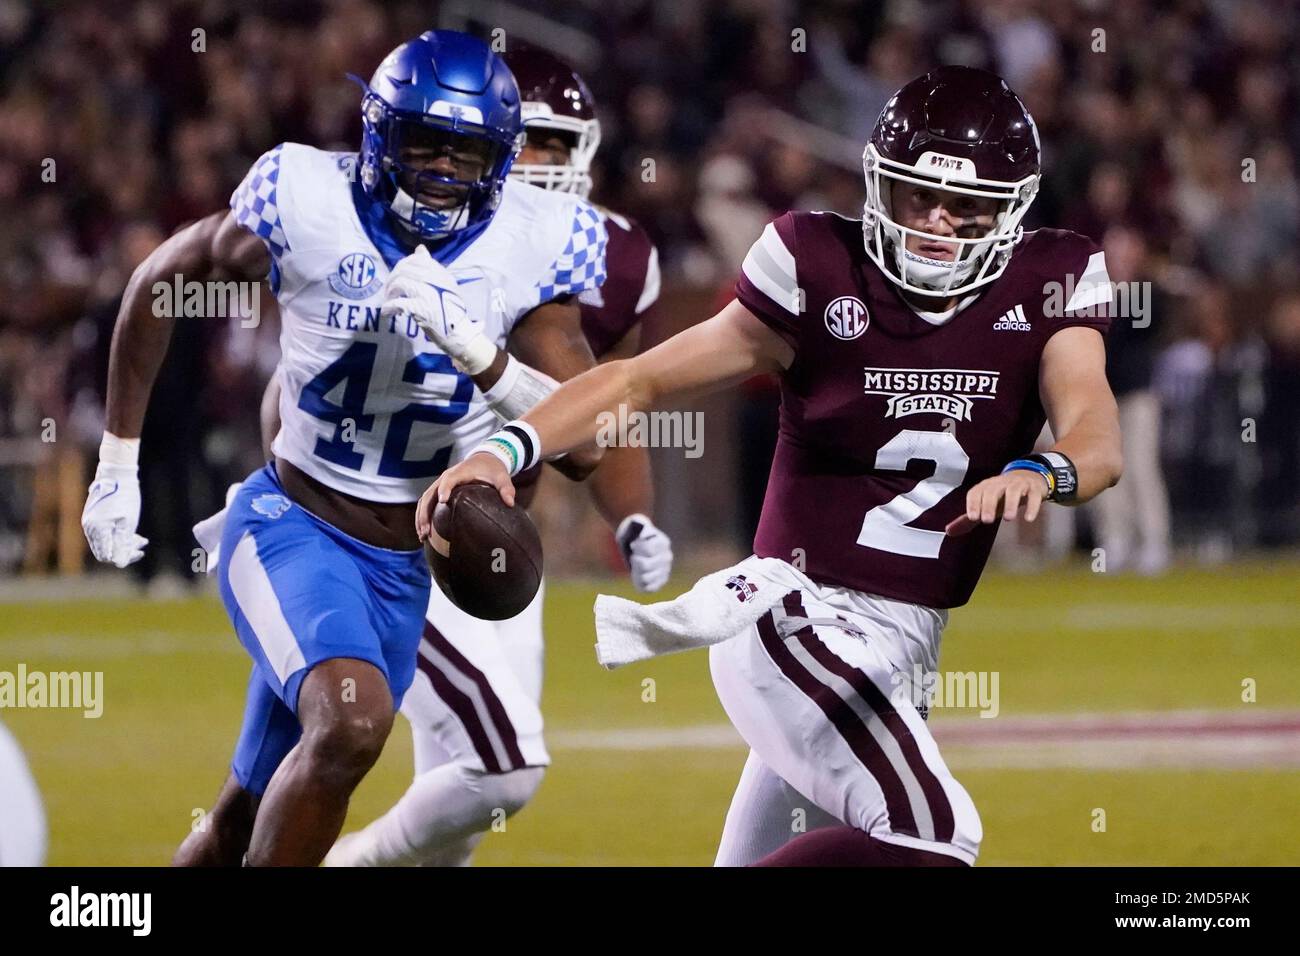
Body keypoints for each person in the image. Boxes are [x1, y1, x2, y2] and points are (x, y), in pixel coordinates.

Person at [426, 66, 1123, 866]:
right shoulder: (817, 263)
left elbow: (1096, 434)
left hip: (906, 637)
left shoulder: (1049, 278)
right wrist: (497, 451)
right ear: (877, 185)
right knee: (934, 834)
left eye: (965, 206)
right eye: (916, 197)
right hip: (795, 619)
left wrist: (1046, 473)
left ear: (1011, 210)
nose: (936, 222)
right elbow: (637, 378)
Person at [81, 30, 609, 867]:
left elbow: (588, 444)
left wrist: (482, 353)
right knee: (354, 725)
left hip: (405, 566)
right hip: (294, 523)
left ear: (501, 161)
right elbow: (159, 282)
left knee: (238, 821)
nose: (440, 170)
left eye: (465, 153)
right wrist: (118, 461)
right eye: (423, 143)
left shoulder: (538, 238)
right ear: (375, 133)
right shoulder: (304, 199)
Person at [322, 46, 674, 867]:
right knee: (503, 760)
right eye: (533, 145)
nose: (543, 165)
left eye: (559, 146)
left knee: (469, 791)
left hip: (491, 521)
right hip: (381, 522)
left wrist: (633, 518)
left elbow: (600, 402)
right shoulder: (401, 220)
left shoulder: (608, 252)